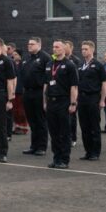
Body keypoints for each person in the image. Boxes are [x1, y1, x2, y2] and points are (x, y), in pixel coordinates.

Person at [45, 40, 78, 169]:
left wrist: (73, 103)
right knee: (53, 132)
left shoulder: (69, 65)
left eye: (57, 47)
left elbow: (74, 86)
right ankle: (56, 158)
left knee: (64, 132)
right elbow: (47, 84)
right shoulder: (49, 64)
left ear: (64, 49)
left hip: (63, 101)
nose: (55, 49)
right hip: (51, 101)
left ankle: (64, 160)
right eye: (53, 47)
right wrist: (45, 101)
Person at [76, 41, 106, 161]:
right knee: (84, 126)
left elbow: (104, 83)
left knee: (94, 126)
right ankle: (88, 151)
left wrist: (102, 100)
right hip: (82, 98)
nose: (83, 51)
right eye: (82, 49)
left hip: (93, 98)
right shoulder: (80, 65)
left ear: (92, 50)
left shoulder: (98, 65)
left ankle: (95, 152)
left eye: (86, 49)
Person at [21, 37, 51, 156]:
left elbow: (48, 78)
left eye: (32, 44)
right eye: (28, 44)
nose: (29, 46)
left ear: (39, 45)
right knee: (32, 120)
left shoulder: (45, 58)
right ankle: (33, 145)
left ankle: (41, 146)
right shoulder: (26, 58)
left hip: (39, 92)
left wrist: (45, 96)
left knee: (40, 120)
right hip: (28, 92)